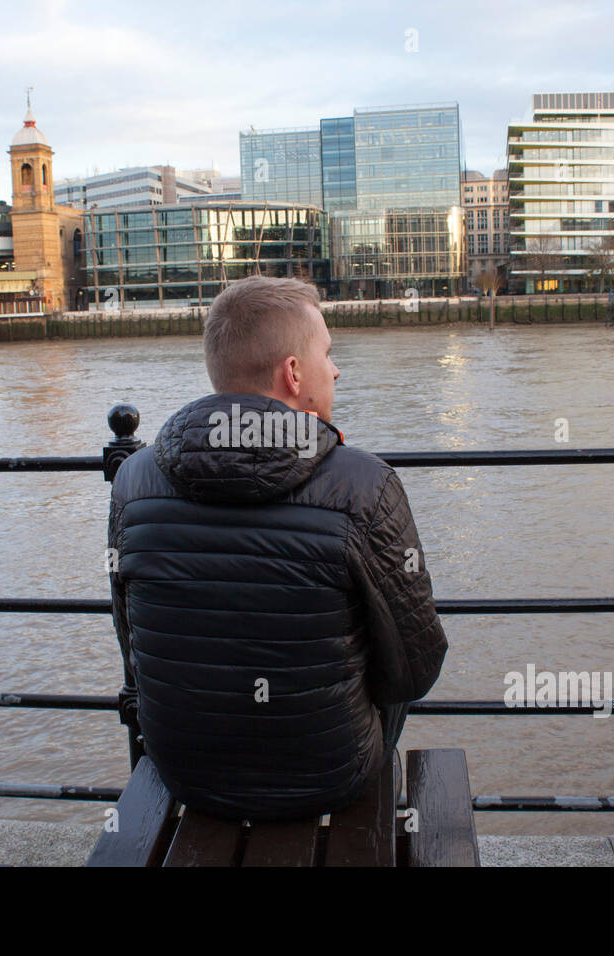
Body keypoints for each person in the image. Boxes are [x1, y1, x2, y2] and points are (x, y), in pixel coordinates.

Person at [107, 275, 447, 820]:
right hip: (332, 774)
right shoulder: (365, 484)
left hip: (186, 770)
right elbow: (416, 669)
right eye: (328, 354)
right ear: (292, 373)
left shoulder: (133, 480)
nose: (335, 370)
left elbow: (132, 641)